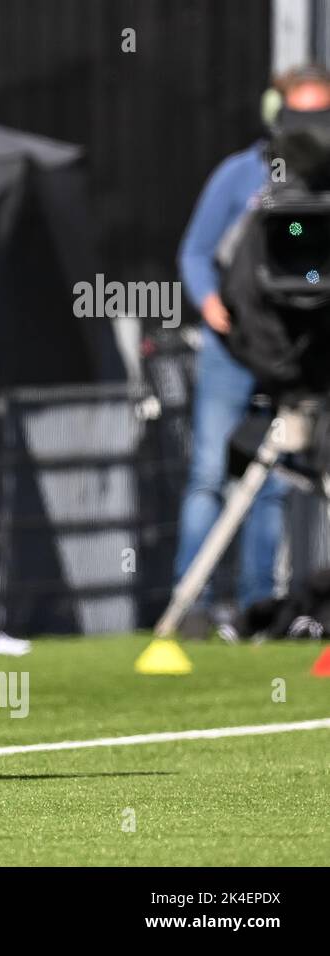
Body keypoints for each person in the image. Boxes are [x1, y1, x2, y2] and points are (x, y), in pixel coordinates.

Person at [173, 65, 330, 636]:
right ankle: (191, 605)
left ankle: (257, 608)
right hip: (231, 346)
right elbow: (194, 252)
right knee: (212, 471)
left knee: (271, 484)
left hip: (295, 352)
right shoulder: (239, 175)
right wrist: (210, 303)